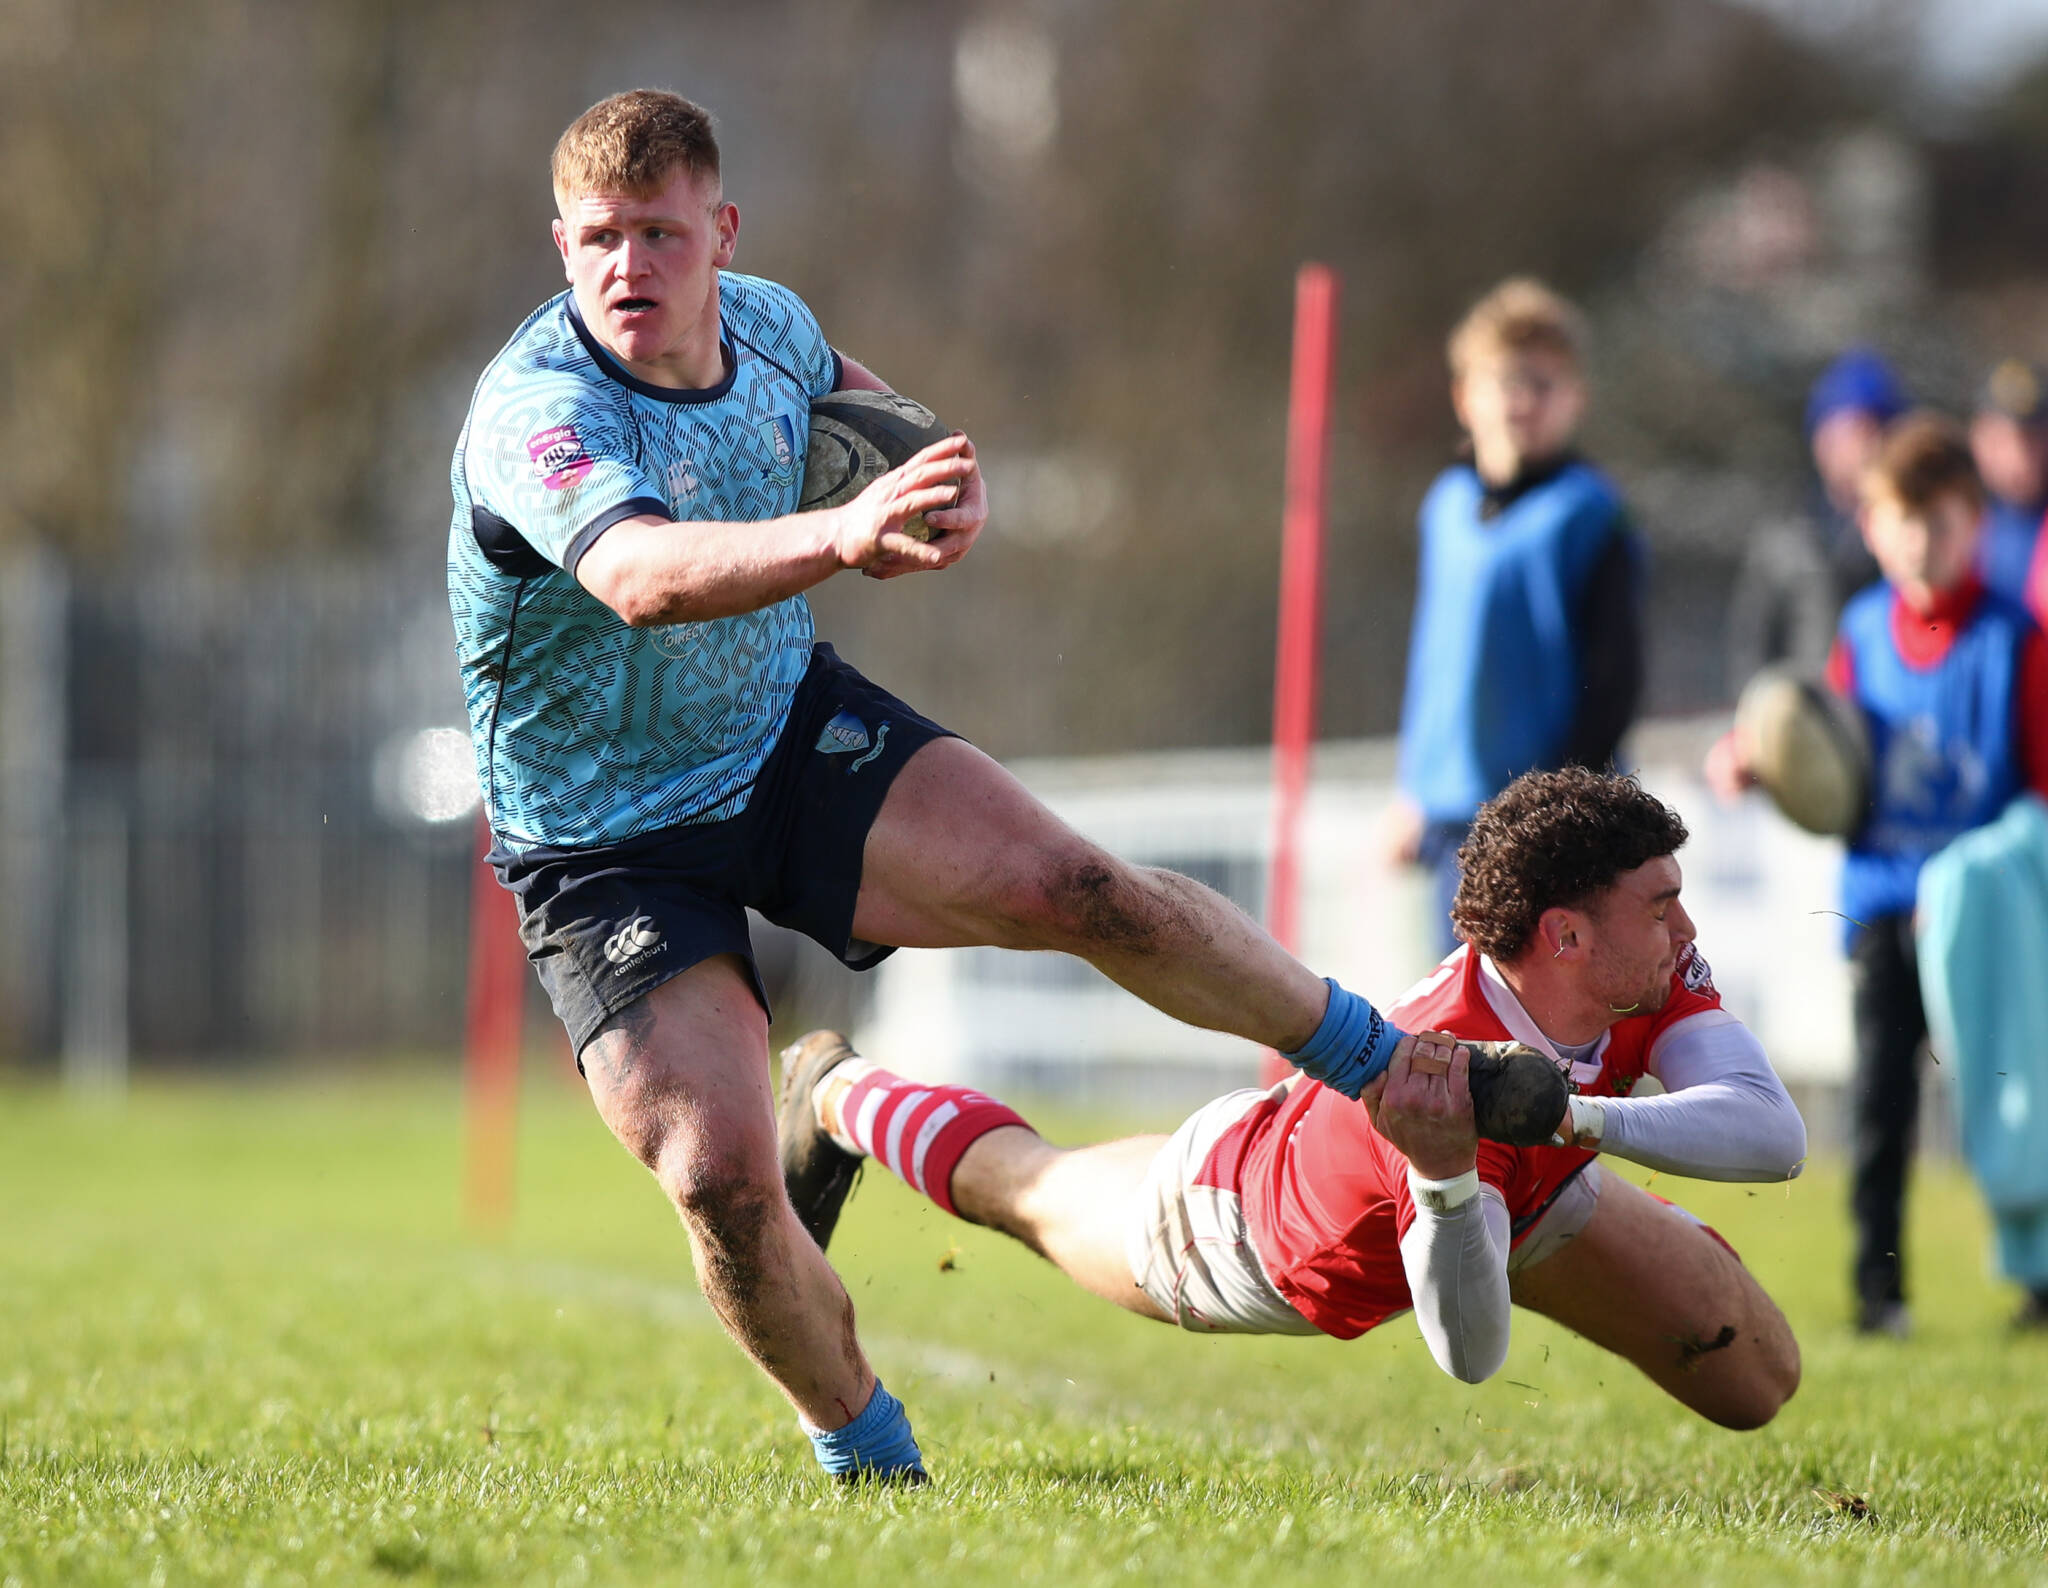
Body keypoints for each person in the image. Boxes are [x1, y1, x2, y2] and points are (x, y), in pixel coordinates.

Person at [445, 90, 1532, 1484]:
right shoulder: (535, 410)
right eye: (598, 238)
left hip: (781, 737)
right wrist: (843, 531)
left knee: (1081, 886)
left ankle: (1387, 1069)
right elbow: (640, 576)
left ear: (722, 232)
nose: (627, 266)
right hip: (604, 846)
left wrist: (934, 481)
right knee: (717, 1180)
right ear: (560, 245)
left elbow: (879, 421)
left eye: (659, 232)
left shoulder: (770, 327)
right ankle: (870, 1456)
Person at [784, 768, 1805, 1429]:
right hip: (1241, 1220)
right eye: (1661, 905)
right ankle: (837, 1090)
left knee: (1758, 1381)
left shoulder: (1641, 973)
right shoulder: (1441, 1066)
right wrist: (1446, 1170)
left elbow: (1771, 1132)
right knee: (1025, 1188)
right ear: (1565, 935)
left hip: (1533, 1182)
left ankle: (1540, 1197)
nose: (1684, 928)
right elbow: (1469, 1353)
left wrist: (1570, 1121)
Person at [1708, 412, 2048, 1335]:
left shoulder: (2015, 639)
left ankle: (2036, 1279)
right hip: (1879, 903)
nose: (1919, 541)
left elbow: (2038, 791)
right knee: (1880, 1101)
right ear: (1871, 525)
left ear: (1975, 522)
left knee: (2011, 1085)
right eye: (1901, 520)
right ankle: (1878, 1291)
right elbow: (1827, 753)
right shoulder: (1860, 631)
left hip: (1978, 917)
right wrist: (1755, 760)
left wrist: (1978, 878)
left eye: (1939, 521)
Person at [1382, 279, 1645, 954]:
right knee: (1459, 1004)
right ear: (1465, 396)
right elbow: (1434, 656)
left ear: (1576, 397)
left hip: (1546, 819)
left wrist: (1563, 808)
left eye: (1544, 383)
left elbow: (1613, 678)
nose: (1524, 400)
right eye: (1506, 381)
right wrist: (1413, 787)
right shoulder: (1446, 505)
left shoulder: (1590, 514)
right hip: (1453, 815)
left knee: (1544, 1006)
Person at [1725, 347, 1907, 691]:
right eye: (1850, 433)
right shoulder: (1784, 535)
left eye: (1874, 433)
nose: (1863, 449)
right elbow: (1753, 644)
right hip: (1809, 707)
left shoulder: (1911, 532)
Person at [1969, 358, 2048, 618]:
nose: (2019, 456)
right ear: (1978, 439)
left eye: (2032, 438)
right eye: (2001, 440)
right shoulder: (1957, 522)